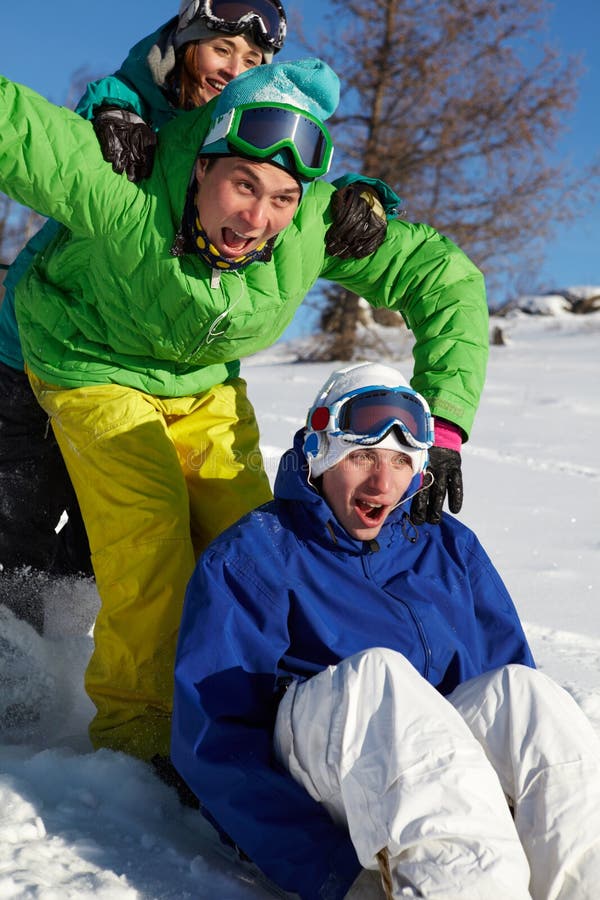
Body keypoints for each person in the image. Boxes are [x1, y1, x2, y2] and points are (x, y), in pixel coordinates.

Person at [1, 54, 488, 763]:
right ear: (202, 167)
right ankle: (141, 739)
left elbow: (443, 277)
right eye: (242, 185)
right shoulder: (126, 185)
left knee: (254, 546)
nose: (256, 218)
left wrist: (442, 421)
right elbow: (17, 129)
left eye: (282, 198)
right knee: (152, 544)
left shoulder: (312, 227)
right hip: (89, 361)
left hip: (200, 380)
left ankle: (279, 705)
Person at [0, 0, 392, 633]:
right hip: (33, 349)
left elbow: (285, 171)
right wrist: (108, 109)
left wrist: (366, 197)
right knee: (17, 517)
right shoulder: (129, 102)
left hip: (142, 365)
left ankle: (73, 644)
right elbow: (46, 145)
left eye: (254, 60)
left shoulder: (248, 129)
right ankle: (13, 674)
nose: (234, 70)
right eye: (222, 49)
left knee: (121, 528)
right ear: (185, 44)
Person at [171, 360, 600, 900]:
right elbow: (215, 742)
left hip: (435, 777)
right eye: (363, 455)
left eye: (400, 461)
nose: (382, 480)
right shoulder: (253, 555)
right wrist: (332, 871)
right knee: (381, 680)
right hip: (321, 773)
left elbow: (505, 713)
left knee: (527, 694)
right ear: (320, 453)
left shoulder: (449, 547)